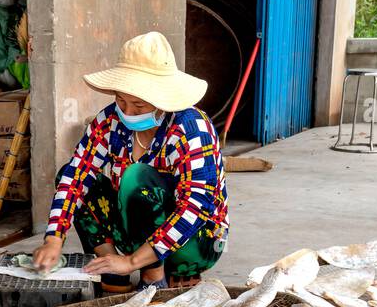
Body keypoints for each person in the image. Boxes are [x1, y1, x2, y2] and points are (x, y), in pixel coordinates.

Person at [31, 31, 229, 293]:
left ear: (162, 102)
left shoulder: (191, 128)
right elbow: (76, 175)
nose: (127, 112)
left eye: (138, 105)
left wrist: (133, 261)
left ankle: (152, 272)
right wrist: (54, 238)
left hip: (194, 242)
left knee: (137, 177)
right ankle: (109, 266)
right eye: (121, 100)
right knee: (69, 173)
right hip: (132, 234)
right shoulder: (110, 121)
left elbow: (195, 208)